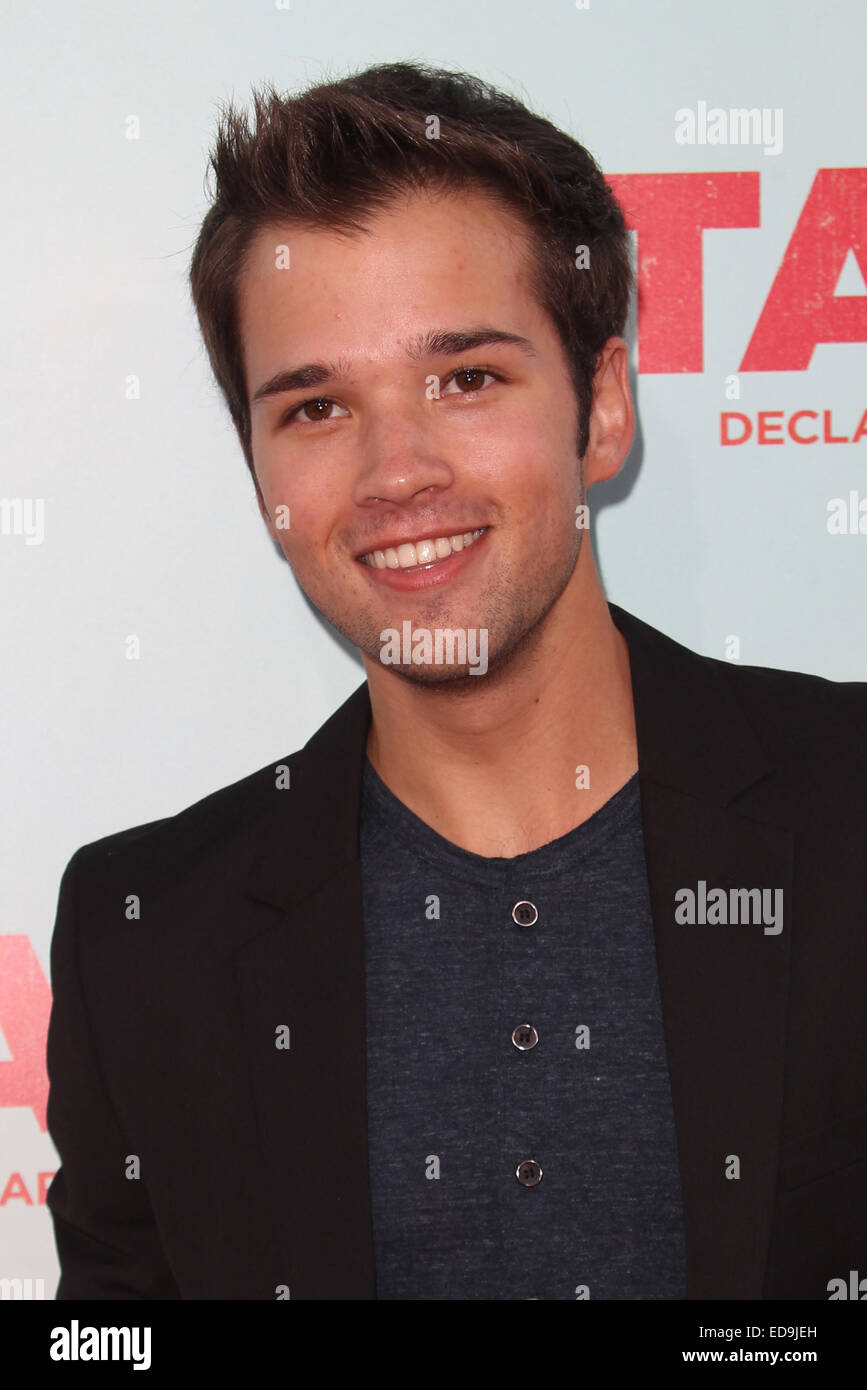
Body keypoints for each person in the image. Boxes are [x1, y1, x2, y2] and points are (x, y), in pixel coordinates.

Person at [46, 61, 867, 1301]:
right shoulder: (148, 938)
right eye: (317, 406)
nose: (396, 472)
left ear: (600, 405)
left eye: (466, 379)